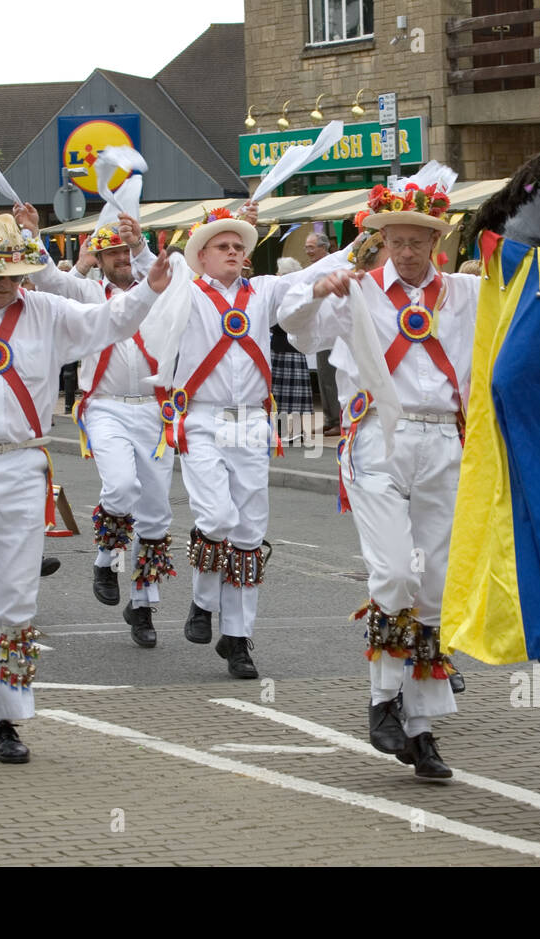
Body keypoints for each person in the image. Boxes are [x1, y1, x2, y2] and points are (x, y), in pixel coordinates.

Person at [0, 211, 172, 763]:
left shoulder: (48, 312)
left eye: (15, 274)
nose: (7, 285)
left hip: (24, 464)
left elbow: (109, 321)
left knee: (16, 597)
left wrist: (149, 288)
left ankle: (6, 719)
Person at [279, 177, 470, 781]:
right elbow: (296, 327)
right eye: (397, 241)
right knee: (393, 571)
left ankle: (420, 729)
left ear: (437, 242)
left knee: (432, 587)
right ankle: (383, 699)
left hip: (445, 440)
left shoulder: (465, 293)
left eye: (418, 241)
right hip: (376, 438)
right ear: (380, 241)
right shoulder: (354, 289)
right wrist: (319, 286)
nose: (407, 252)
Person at [159, 206, 348, 679]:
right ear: (201, 256)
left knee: (247, 533)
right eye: (222, 246)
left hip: (253, 425)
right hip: (202, 419)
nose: (233, 252)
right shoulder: (186, 293)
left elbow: (317, 271)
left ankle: (238, 638)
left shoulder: (263, 290)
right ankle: (202, 604)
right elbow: (155, 275)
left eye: (238, 247)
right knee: (217, 517)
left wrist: (366, 241)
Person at [26, 210, 175, 648]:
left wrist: (143, 244)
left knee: (156, 512)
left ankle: (143, 605)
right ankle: (106, 560)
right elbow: (50, 278)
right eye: (112, 253)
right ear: (99, 257)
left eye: (127, 251)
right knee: (121, 487)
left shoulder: (160, 292)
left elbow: (168, 274)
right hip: (105, 407)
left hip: (154, 410)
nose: (122, 259)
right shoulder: (89, 292)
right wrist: (33, 234)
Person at [304, 229, 342, 437]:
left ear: (323, 247)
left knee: (333, 375)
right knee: (323, 374)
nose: (308, 251)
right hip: (319, 328)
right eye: (306, 247)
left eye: (311, 247)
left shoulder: (332, 265)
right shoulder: (314, 268)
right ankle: (330, 418)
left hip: (333, 328)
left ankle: (338, 419)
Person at [270, 257, 311, 445]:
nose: (277, 275)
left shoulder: (290, 293)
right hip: (288, 348)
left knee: (287, 395)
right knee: (288, 395)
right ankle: (289, 431)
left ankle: (291, 431)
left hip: (285, 347)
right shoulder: (298, 291)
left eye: (280, 273)